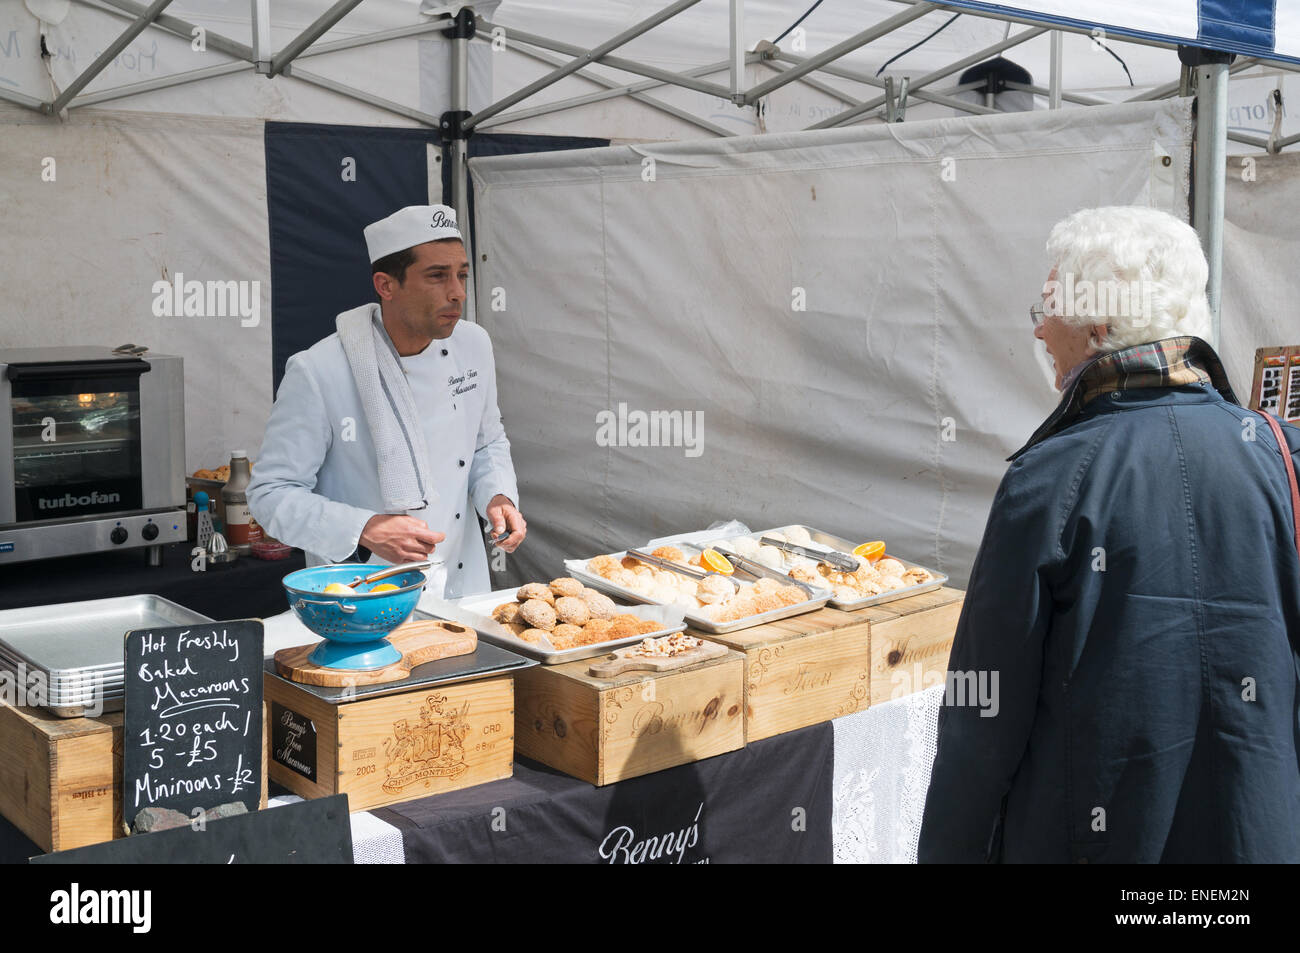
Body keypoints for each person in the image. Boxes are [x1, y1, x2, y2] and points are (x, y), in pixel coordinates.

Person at [918, 206, 1300, 863]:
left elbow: (981, 722)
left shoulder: (1047, 480)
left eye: (1047, 303)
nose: (1038, 327)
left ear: (1098, 322)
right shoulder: (1281, 455)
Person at [248, 204, 525, 599]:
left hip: (464, 588)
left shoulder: (474, 345)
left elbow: (486, 441)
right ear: (386, 285)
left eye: (462, 274)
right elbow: (270, 494)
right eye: (437, 276)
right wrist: (363, 528)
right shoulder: (319, 370)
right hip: (362, 597)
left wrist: (498, 495)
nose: (458, 293)